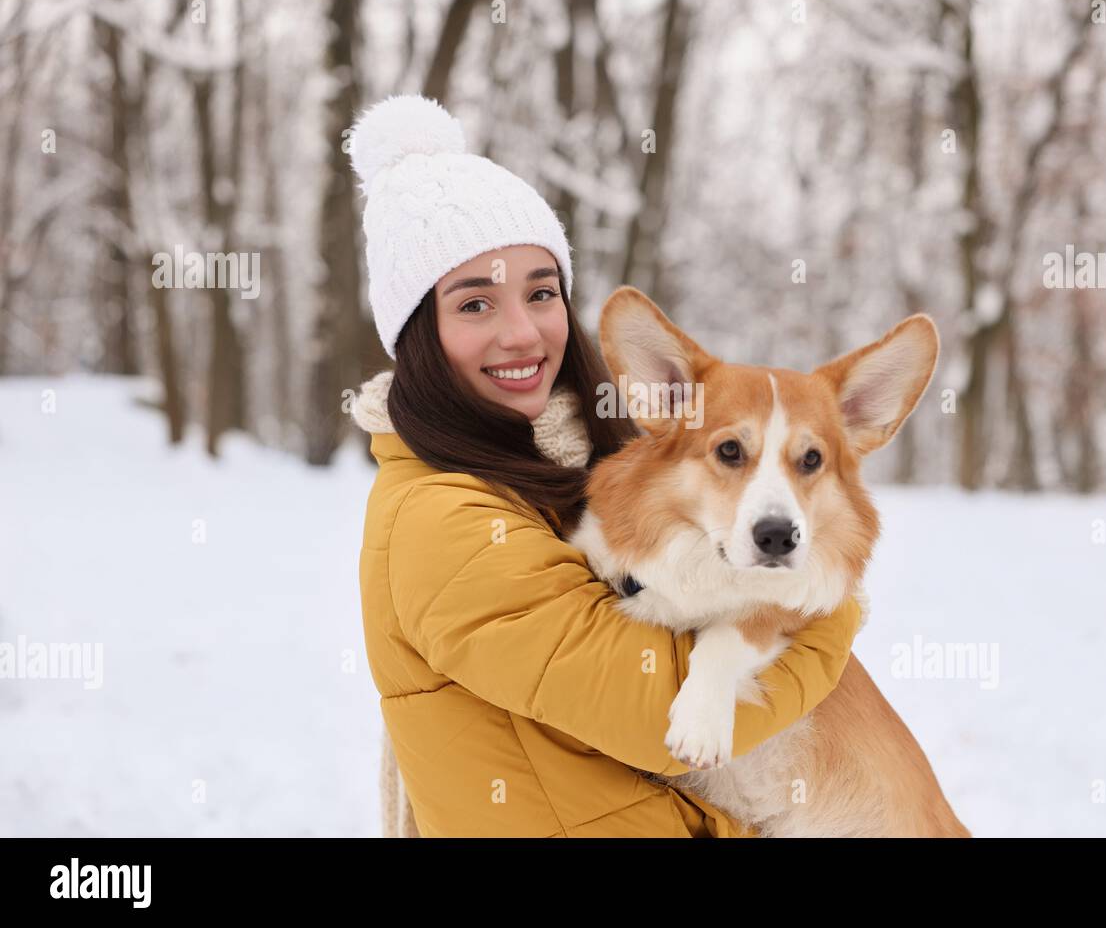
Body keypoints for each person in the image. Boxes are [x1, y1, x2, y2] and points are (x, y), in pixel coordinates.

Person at [348, 95, 863, 837]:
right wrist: (824, 612)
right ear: (417, 333)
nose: (521, 332)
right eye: (474, 305)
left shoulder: (571, 466)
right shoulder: (440, 517)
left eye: (541, 292)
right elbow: (653, 711)